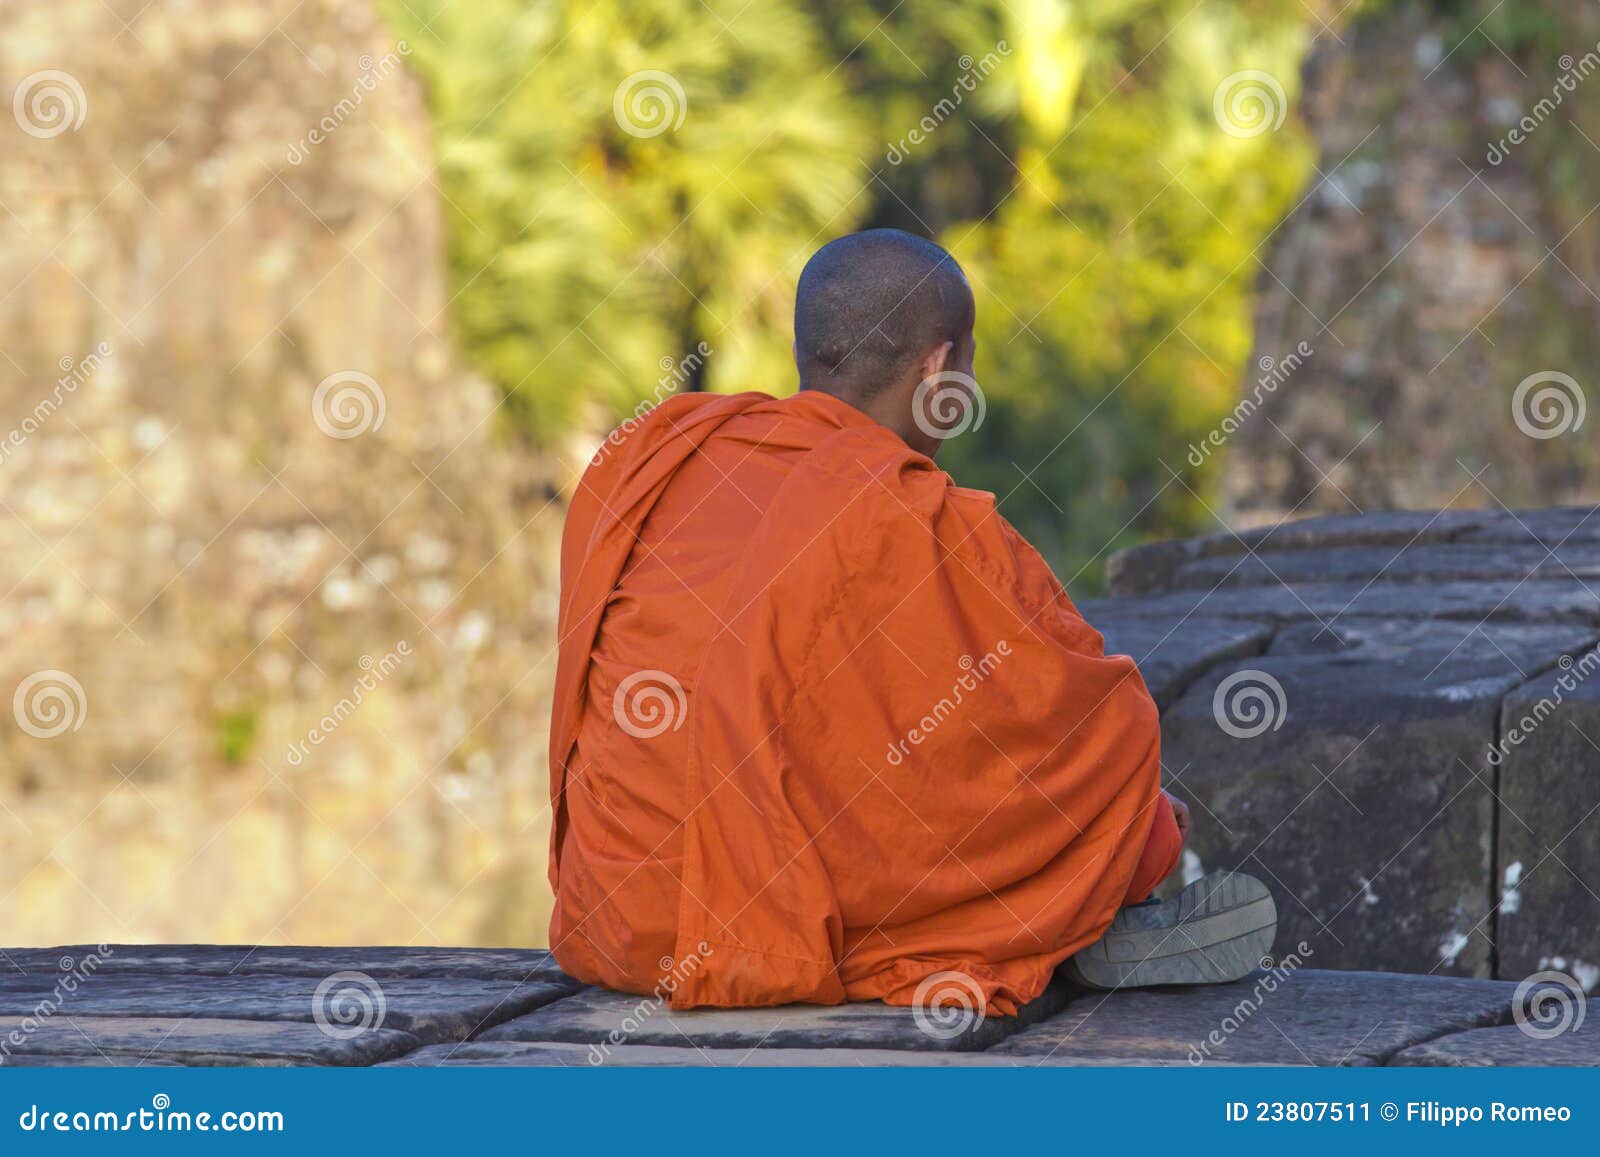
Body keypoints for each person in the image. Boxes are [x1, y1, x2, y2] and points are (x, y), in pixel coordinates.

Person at [547, 228, 1276, 1014]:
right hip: (763, 933)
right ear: (937, 370)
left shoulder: (662, 454)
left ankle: (1071, 910)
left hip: (621, 917)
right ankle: (1089, 910)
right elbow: (1079, 724)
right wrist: (1143, 832)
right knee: (1115, 738)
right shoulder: (922, 518)